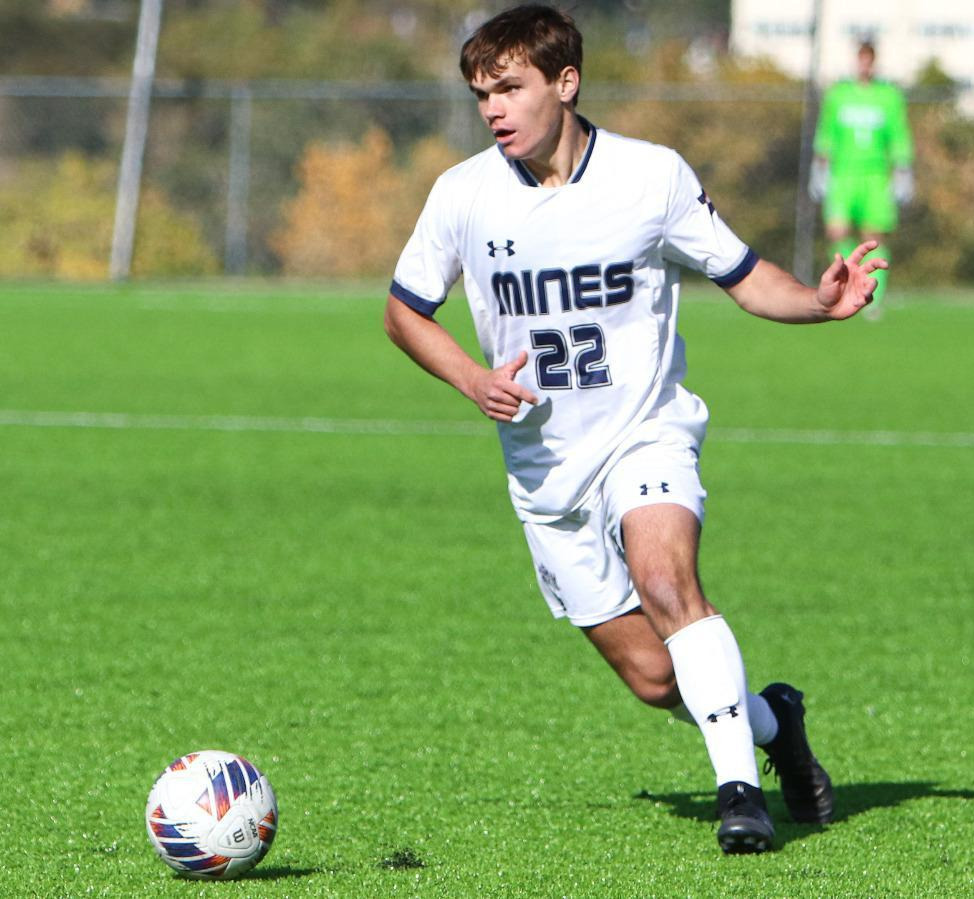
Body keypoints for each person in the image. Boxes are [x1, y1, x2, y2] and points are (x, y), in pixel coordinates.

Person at [383, 5, 883, 854]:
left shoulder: (650, 177)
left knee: (666, 577)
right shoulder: (462, 194)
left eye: (510, 88)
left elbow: (745, 275)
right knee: (656, 677)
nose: (494, 109)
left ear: (565, 82)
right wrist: (471, 377)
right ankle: (776, 725)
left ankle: (739, 796)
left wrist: (818, 303)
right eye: (481, 95)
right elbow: (403, 313)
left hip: (644, 431)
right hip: (546, 471)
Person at [810, 40, 913, 302]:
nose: (864, 65)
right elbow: (826, 133)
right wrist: (819, 167)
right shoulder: (838, 95)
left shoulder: (888, 97)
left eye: (869, 59)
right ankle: (844, 287)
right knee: (837, 231)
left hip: (875, 175)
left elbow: (899, 136)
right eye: (861, 59)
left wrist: (903, 170)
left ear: (874, 62)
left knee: (873, 237)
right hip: (843, 175)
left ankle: (873, 298)